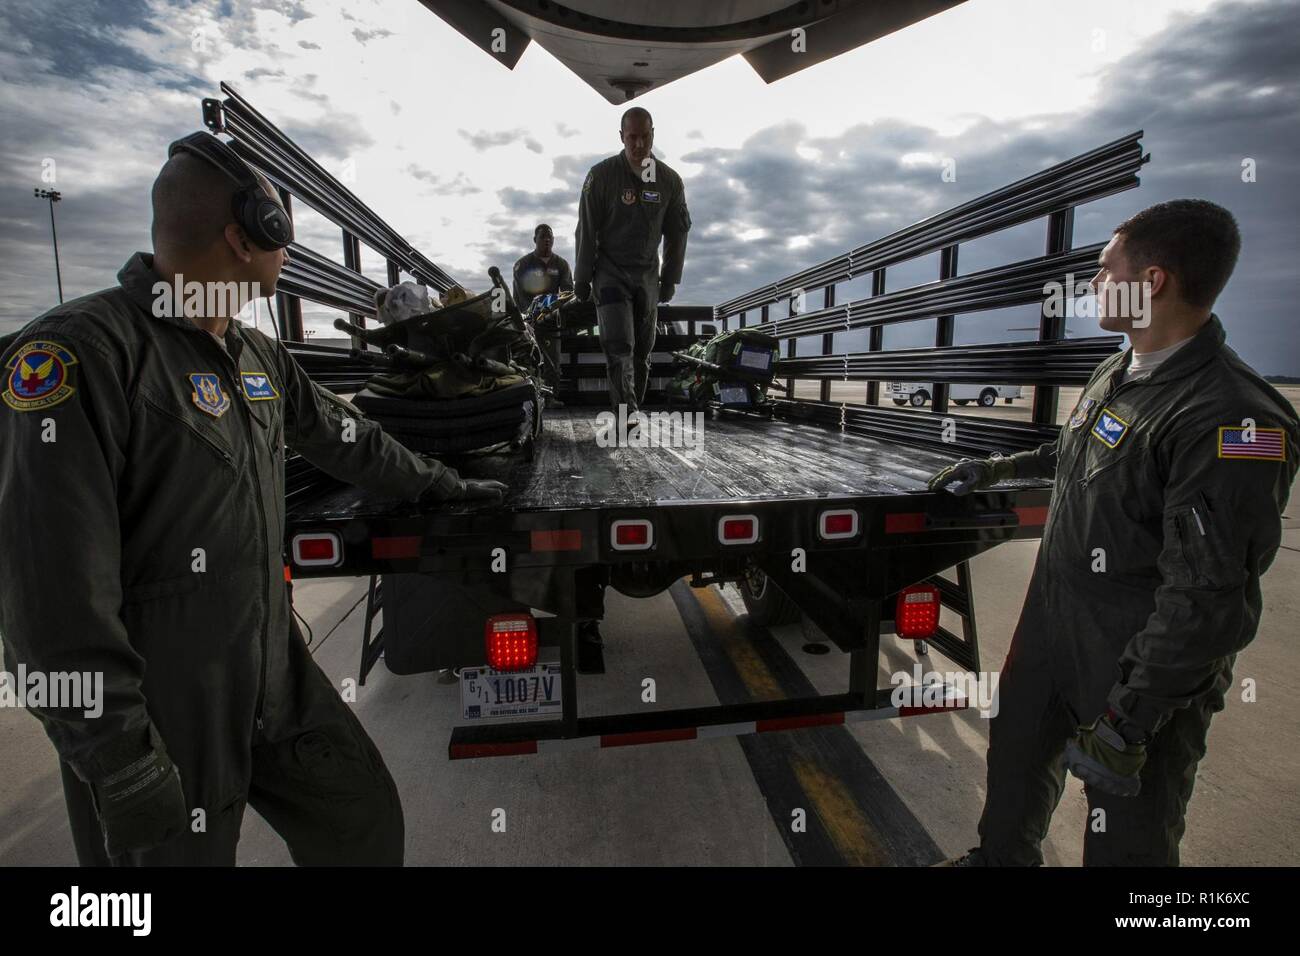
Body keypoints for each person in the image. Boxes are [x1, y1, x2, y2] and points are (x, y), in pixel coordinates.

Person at [0, 131, 506, 866]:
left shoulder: (256, 354)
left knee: (359, 823)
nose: (286, 250)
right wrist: (117, 756)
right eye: (280, 229)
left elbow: (348, 439)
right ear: (246, 235)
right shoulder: (80, 356)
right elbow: (47, 598)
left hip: (271, 663)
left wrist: (443, 484)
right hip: (163, 703)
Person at [927, 199, 1300, 866]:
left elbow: (1210, 595)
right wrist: (992, 469)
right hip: (1055, 627)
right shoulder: (1120, 367)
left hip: (1135, 661)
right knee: (1015, 766)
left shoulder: (1234, 419)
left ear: (1151, 281)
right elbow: (1072, 453)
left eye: (1104, 269)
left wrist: (1131, 717)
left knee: (1127, 834)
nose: (1094, 284)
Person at [573, 106, 691, 412]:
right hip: (610, 272)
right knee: (619, 345)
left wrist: (671, 279)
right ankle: (626, 413)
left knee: (642, 350)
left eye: (645, 136)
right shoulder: (601, 176)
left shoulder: (669, 181)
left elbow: (678, 234)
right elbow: (586, 228)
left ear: (653, 134)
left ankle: (632, 405)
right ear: (621, 137)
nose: (639, 145)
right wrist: (582, 277)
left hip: (647, 275)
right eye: (632, 137)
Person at [512, 223, 573, 406]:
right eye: (542, 238)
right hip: (529, 320)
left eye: (550, 238)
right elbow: (518, 294)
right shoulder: (523, 264)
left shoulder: (561, 264)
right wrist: (527, 318)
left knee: (552, 359)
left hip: (552, 320)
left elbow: (568, 291)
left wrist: (556, 311)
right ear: (535, 240)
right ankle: (530, 398)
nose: (547, 241)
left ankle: (550, 397)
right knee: (528, 359)